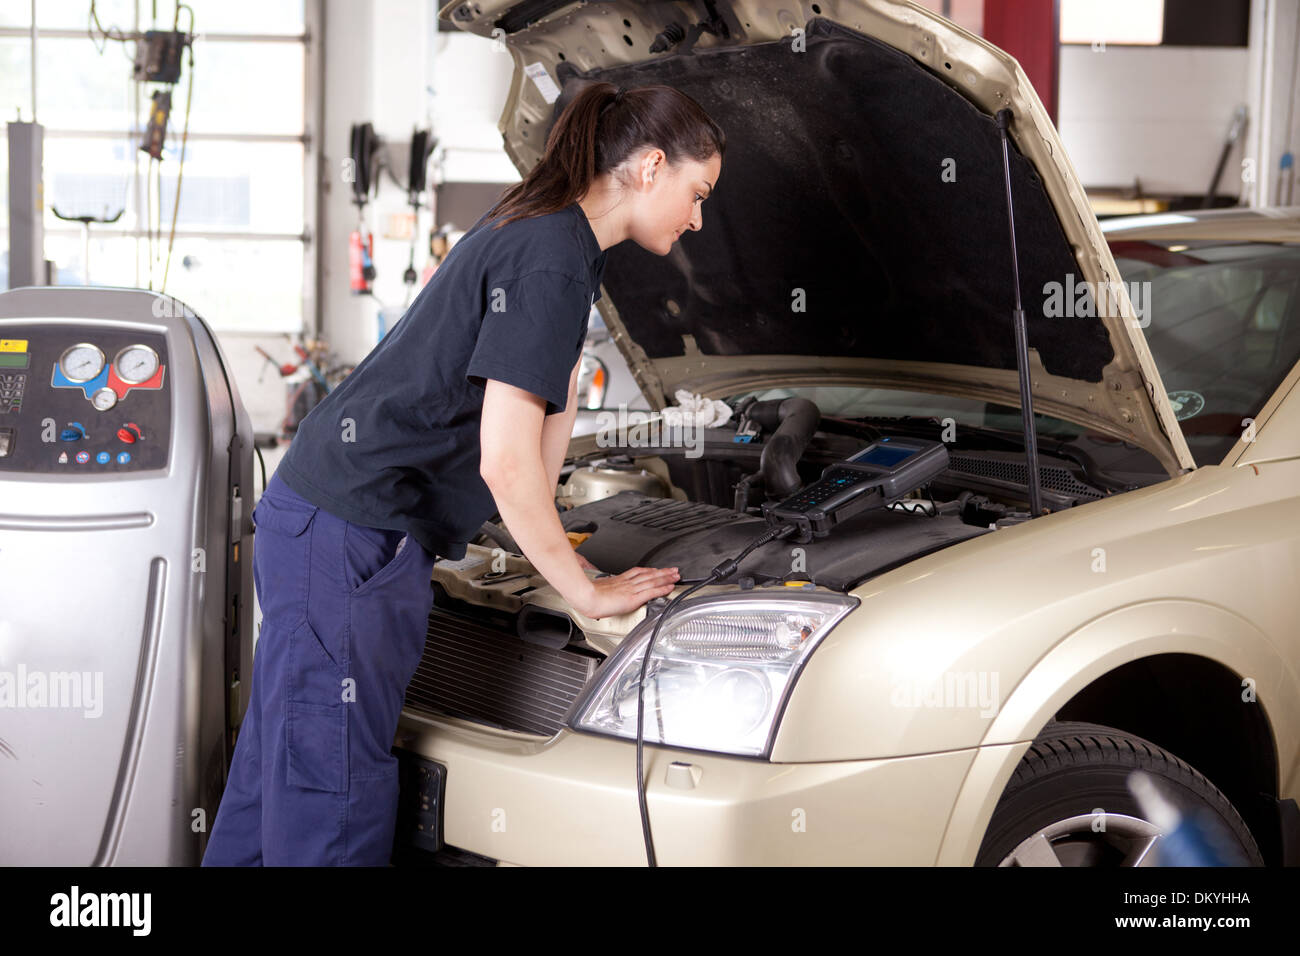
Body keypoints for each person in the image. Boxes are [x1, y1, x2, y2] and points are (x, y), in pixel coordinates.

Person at [202, 80, 726, 866]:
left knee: (279, 775)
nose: (698, 217)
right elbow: (506, 462)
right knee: (331, 799)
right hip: (352, 536)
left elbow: (538, 450)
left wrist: (557, 545)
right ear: (651, 167)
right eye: (698, 192)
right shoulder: (552, 257)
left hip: (319, 520)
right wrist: (584, 592)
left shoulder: (551, 238)